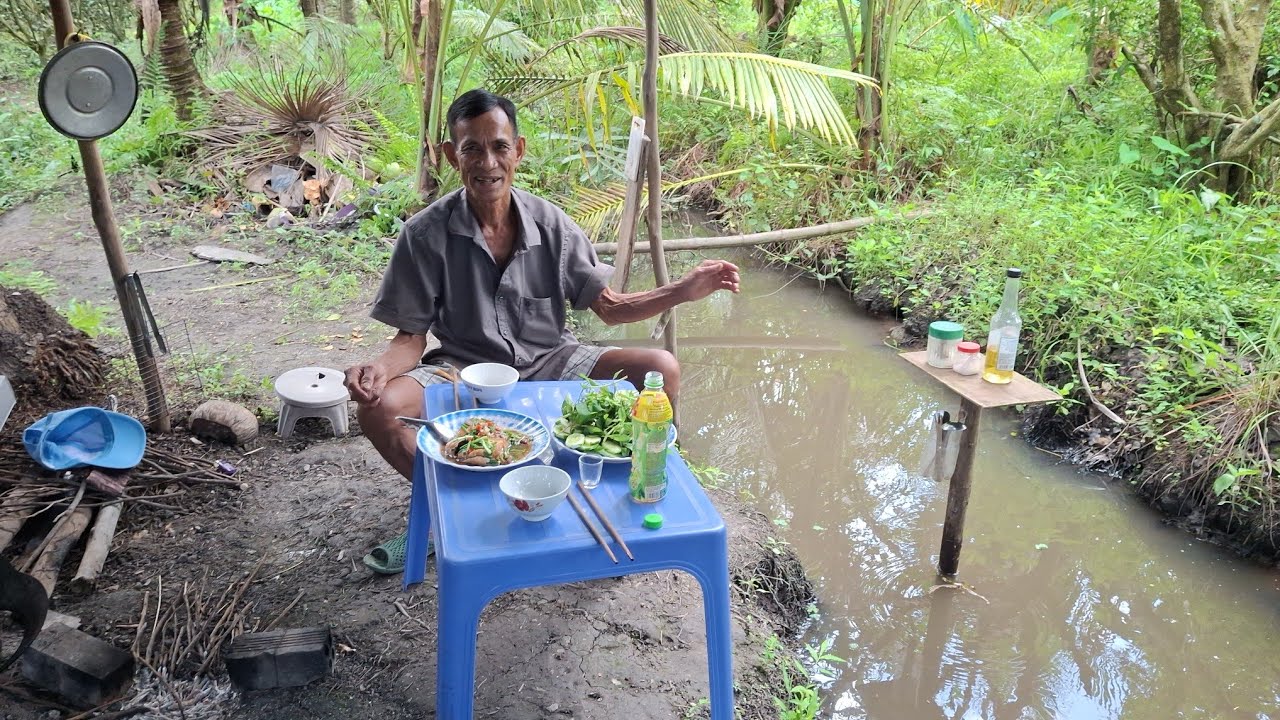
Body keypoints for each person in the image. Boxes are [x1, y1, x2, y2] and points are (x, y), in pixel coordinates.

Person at [345, 89, 739, 572]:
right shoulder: (424, 234)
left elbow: (610, 309)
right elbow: (410, 339)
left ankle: (634, 495)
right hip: (463, 369)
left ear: (519, 150)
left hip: (553, 357)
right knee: (380, 409)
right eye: (471, 149)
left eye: (499, 147)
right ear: (451, 156)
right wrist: (378, 370)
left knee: (660, 367)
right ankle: (443, 512)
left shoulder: (552, 224)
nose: (487, 163)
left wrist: (682, 290)